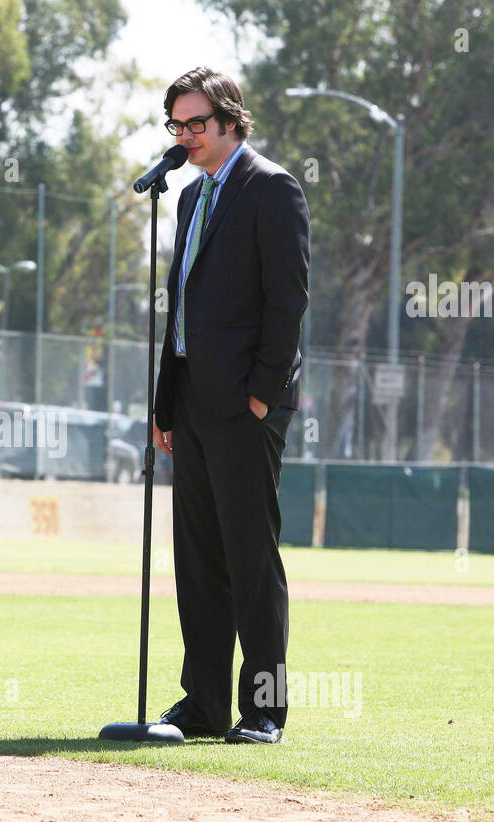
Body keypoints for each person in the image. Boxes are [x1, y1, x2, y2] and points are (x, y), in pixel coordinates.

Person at [151, 68, 310, 744]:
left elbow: (289, 300)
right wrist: (165, 403)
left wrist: (261, 395)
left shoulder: (271, 188)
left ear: (230, 121)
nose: (185, 135)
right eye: (177, 125)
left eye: (196, 124)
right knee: (198, 559)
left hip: (246, 406)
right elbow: (181, 306)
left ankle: (264, 710)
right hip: (189, 402)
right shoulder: (187, 197)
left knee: (251, 558)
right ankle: (204, 705)